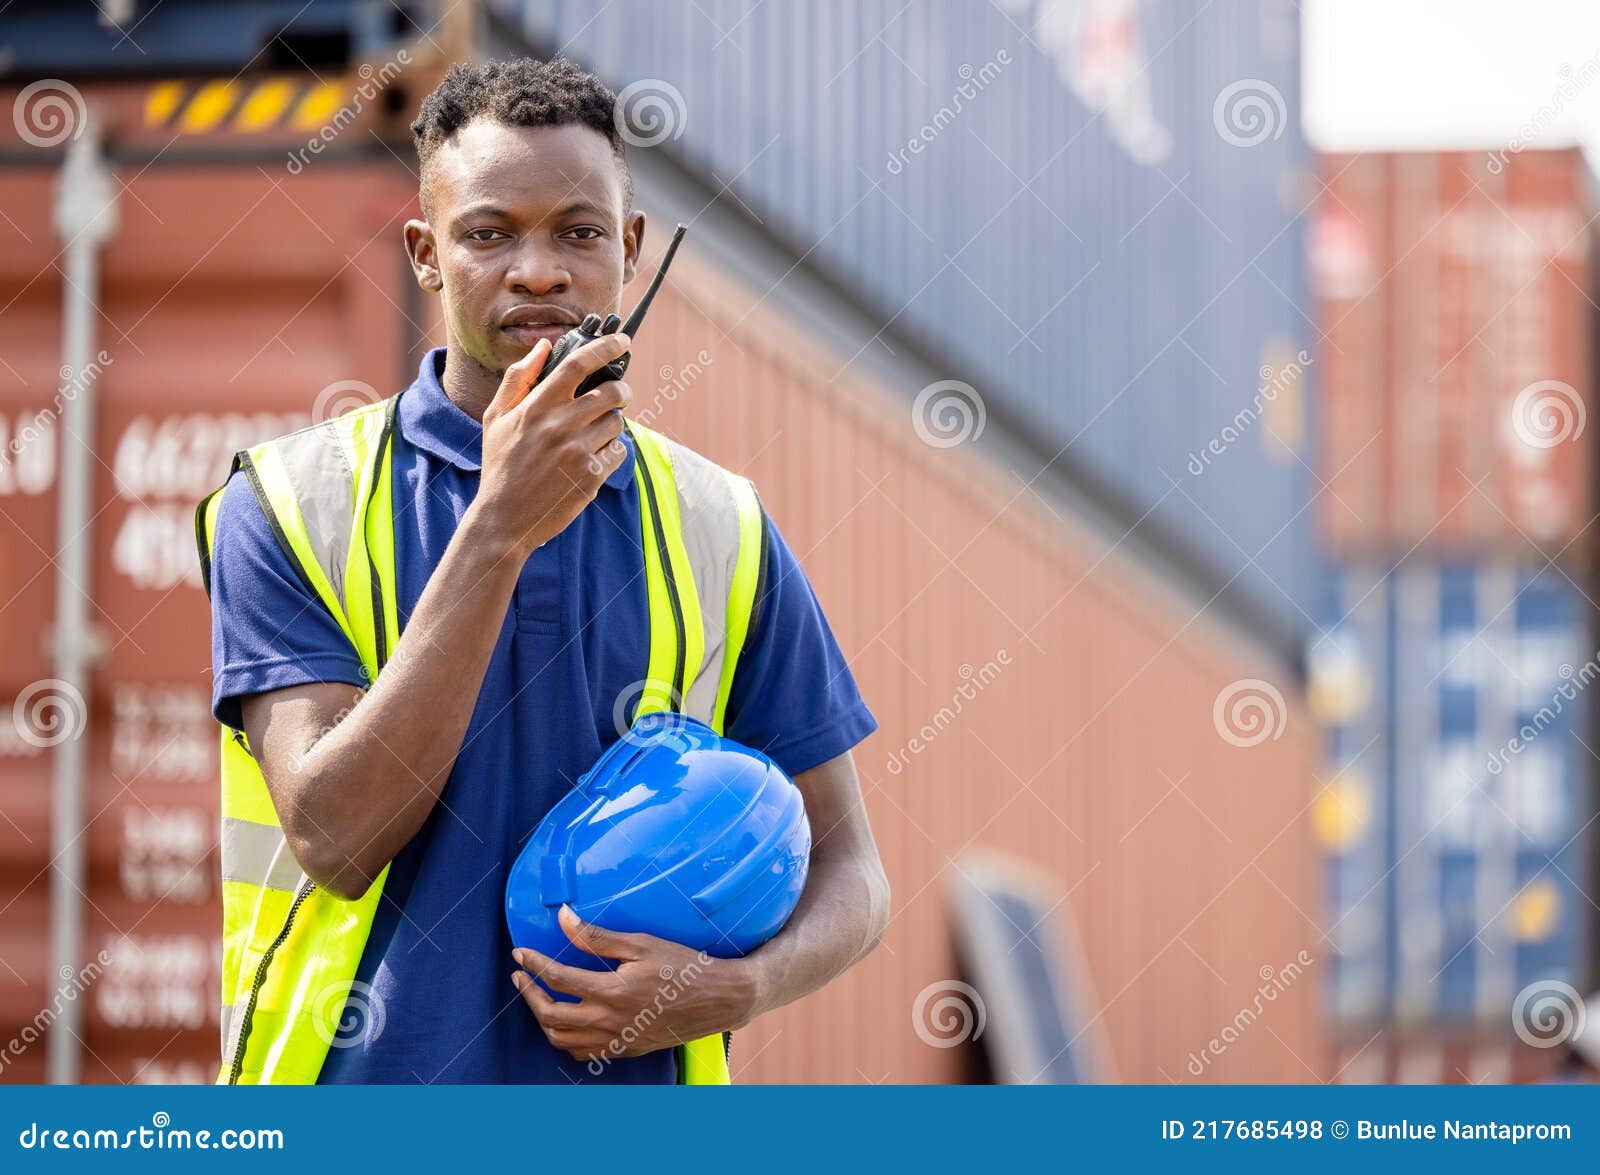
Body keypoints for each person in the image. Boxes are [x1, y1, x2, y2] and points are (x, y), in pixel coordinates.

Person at [203, 57, 889, 1084]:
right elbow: (334, 834)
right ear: (426, 255)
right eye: (488, 234)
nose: (537, 270)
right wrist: (497, 528)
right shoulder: (290, 504)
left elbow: (854, 873)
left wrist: (742, 987)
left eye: (577, 231)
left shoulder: (722, 527)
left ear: (630, 247)